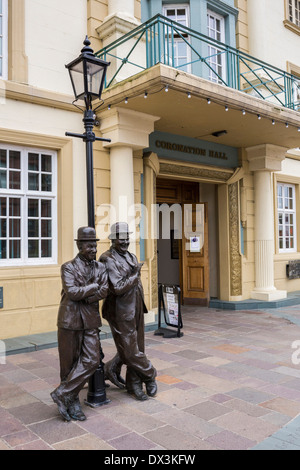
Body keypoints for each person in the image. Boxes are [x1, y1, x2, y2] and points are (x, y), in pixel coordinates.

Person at [50, 227, 108, 421]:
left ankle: (62, 393)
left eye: (95, 245)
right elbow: (73, 292)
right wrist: (92, 287)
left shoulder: (101, 267)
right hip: (69, 319)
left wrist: (87, 295)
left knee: (92, 360)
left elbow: (105, 291)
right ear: (79, 245)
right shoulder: (68, 267)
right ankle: (72, 400)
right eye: (89, 245)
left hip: (90, 319)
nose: (93, 249)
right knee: (68, 364)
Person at [100, 222, 157, 401]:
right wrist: (135, 274)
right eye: (120, 239)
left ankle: (133, 383)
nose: (124, 242)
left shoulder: (131, 256)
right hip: (120, 311)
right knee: (130, 351)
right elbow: (117, 287)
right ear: (113, 240)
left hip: (136, 307)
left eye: (126, 238)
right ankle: (150, 375)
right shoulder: (107, 258)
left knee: (137, 347)